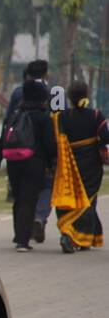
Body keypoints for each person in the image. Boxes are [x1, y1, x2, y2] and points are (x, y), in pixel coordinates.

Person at [0, 78, 56, 252]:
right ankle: (23, 242)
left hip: (13, 162)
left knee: (18, 198)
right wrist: (52, 164)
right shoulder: (43, 117)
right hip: (35, 163)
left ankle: (19, 234)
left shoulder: (13, 116)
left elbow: (2, 141)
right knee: (29, 199)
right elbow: (49, 144)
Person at [52, 79, 109, 252]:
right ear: (87, 95)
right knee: (88, 202)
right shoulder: (95, 115)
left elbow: (56, 141)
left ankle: (74, 236)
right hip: (91, 164)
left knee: (70, 200)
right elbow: (105, 138)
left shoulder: (62, 117)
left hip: (68, 165)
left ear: (69, 97)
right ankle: (71, 236)